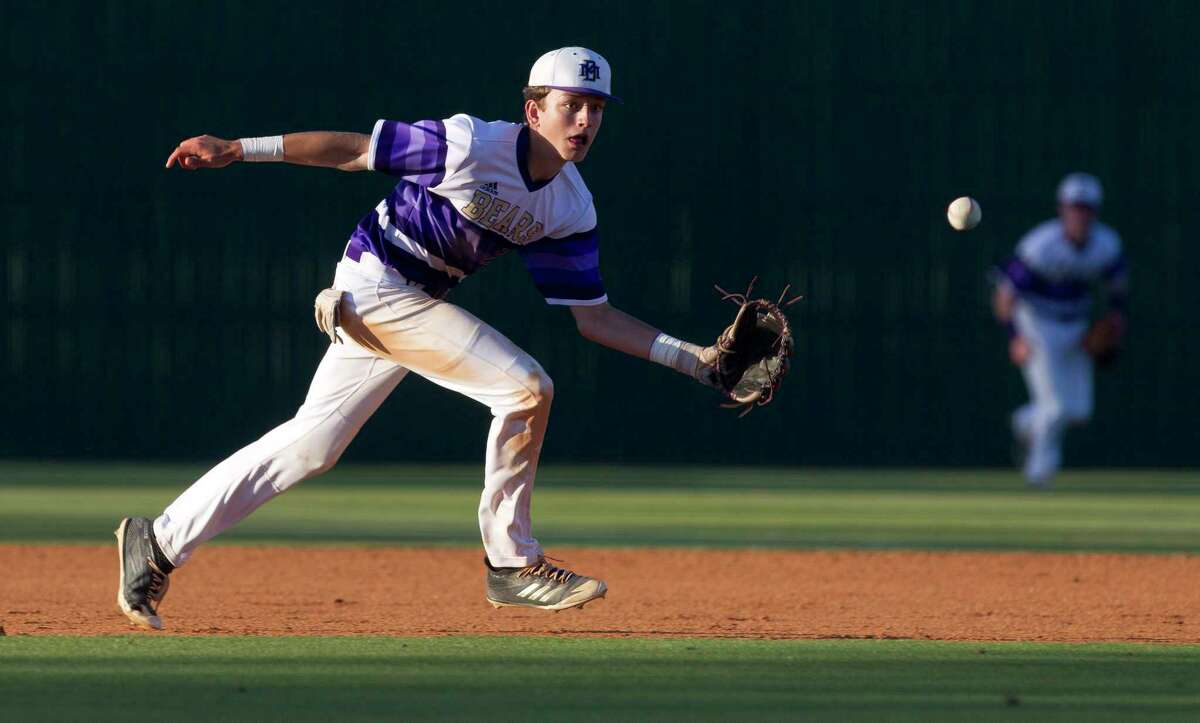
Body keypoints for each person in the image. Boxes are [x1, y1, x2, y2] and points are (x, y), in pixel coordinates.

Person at [116, 47, 719, 630]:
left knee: (312, 446)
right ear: (534, 111)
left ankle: (157, 542)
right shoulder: (470, 144)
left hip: (409, 302)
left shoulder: (569, 206)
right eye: (572, 105)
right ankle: (511, 563)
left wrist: (696, 360)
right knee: (525, 388)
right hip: (378, 284)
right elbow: (354, 151)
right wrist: (236, 150)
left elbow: (594, 317)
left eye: (597, 108)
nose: (585, 120)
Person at [992, 173, 1128, 487]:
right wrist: (1015, 337)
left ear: (1095, 211)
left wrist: (1116, 319)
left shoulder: (1106, 245)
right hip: (1037, 324)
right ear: (1062, 209)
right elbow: (1004, 296)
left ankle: (1025, 422)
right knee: (1054, 409)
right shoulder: (1040, 245)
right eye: (1074, 207)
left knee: (1078, 412)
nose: (1080, 214)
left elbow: (1118, 288)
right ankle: (1039, 476)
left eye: (1086, 208)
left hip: (1075, 325)